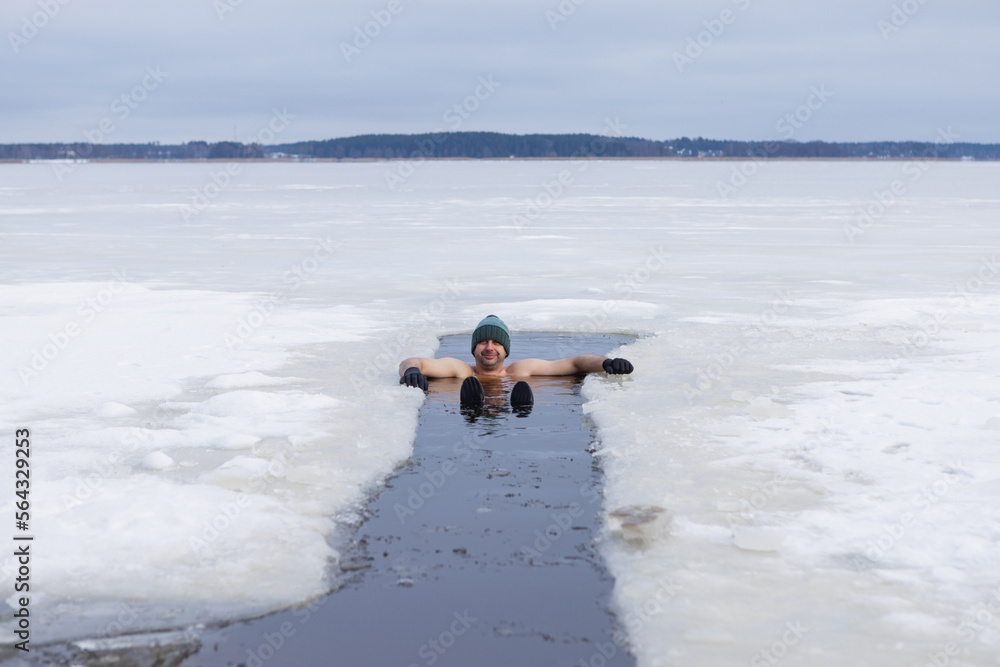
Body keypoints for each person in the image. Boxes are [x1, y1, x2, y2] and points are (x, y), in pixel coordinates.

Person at [399, 314, 634, 407]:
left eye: (497, 343)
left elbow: (575, 363)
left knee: (521, 401)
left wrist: (606, 363)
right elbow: (414, 361)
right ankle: (473, 409)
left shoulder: (521, 370)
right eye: (483, 342)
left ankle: (515, 409)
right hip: (468, 400)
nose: (490, 348)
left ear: (506, 350)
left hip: (513, 408)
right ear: (474, 349)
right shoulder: (461, 371)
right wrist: (411, 370)